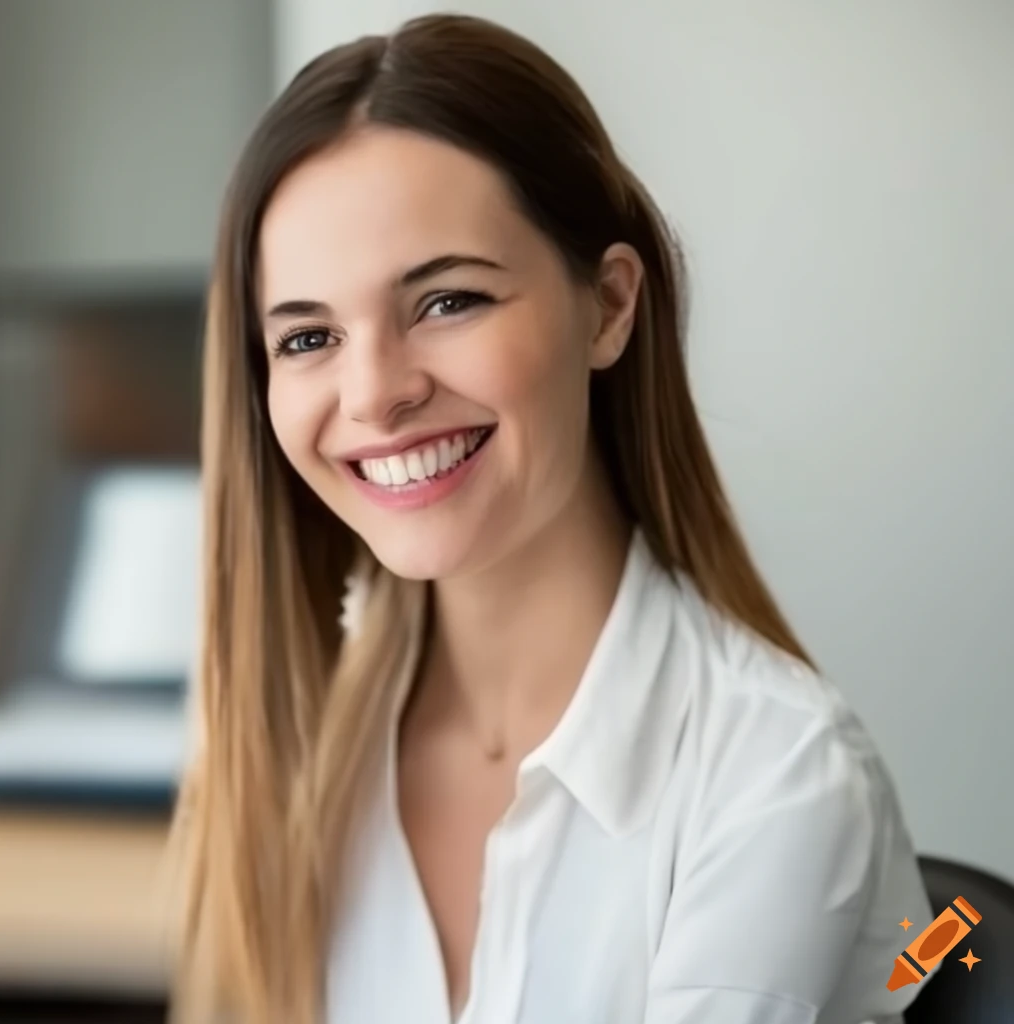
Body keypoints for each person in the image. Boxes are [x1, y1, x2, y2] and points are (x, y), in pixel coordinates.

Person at [171, 12, 933, 1024]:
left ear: (609, 307)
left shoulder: (775, 775)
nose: (373, 394)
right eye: (309, 335)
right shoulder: (299, 742)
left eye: (447, 302)